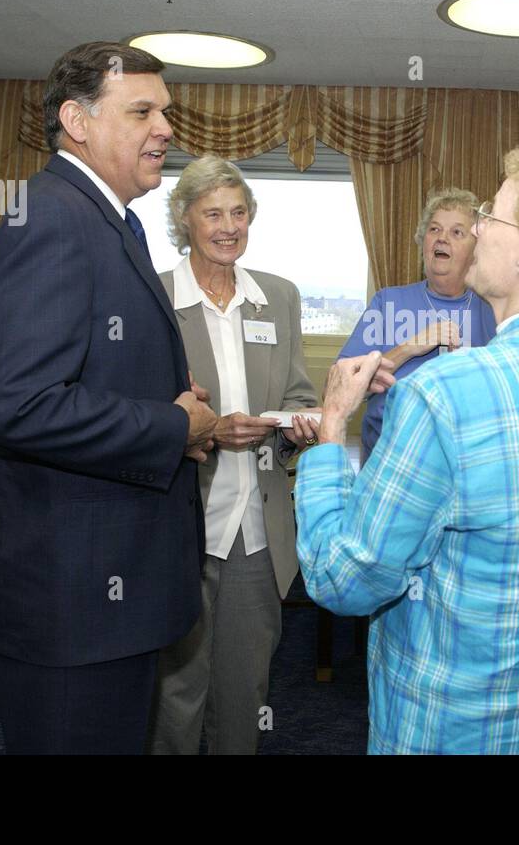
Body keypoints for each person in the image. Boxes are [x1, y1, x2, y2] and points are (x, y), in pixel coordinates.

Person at [295, 141, 519, 754]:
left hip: (460, 731)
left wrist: (331, 432)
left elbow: (345, 579)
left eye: (492, 214)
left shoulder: (445, 396)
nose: (478, 226)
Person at [0, 41, 218, 754]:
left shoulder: (106, 219)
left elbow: (86, 372)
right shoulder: (53, 216)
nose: (165, 127)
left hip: (103, 588)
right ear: (76, 119)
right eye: (142, 111)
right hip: (69, 601)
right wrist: (168, 422)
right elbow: (18, 403)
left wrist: (173, 414)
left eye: (165, 111)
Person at [147, 155, 319, 755]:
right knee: (176, 689)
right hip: (182, 522)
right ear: (184, 219)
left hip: (258, 526)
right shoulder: (155, 297)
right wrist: (208, 429)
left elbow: (298, 391)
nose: (228, 226)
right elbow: (138, 412)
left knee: (246, 688)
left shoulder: (279, 296)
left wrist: (297, 425)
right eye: (212, 212)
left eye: (238, 212)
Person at [337, 188, 496, 462]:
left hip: (469, 467)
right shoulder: (388, 302)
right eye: (434, 229)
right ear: (423, 241)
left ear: (476, 248)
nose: (442, 238)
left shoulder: (493, 309)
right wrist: (410, 347)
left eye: (457, 232)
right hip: (388, 464)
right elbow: (341, 388)